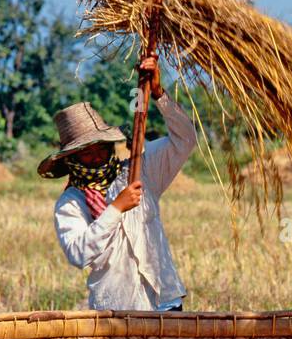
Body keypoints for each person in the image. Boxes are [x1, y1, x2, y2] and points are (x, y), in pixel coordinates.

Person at [38, 56, 197, 311]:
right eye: (86, 151)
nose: (97, 155)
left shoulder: (139, 172)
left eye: (101, 147)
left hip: (165, 302)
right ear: (71, 159)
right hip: (118, 312)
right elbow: (79, 253)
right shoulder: (71, 203)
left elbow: (186, 140)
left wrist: (157, 94)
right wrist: (117, 208)